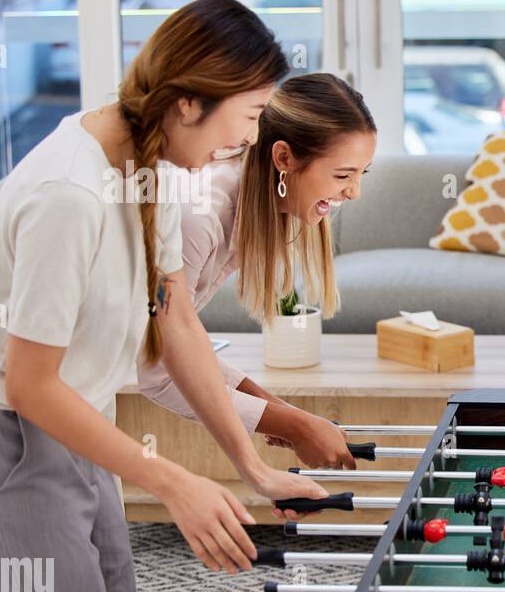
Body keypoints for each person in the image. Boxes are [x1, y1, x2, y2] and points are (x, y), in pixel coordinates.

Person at [0, 0, 328, 592]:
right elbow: (28, 384)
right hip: (2, 438)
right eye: (248, 115)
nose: (252, 138)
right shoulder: (71, 193)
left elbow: (174, 318)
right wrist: (171, 480)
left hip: (78, 426)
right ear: (189, 102)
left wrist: (246, 463)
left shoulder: (150, 167)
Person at [137, 73, 376, 470]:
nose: (353, 192)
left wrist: (277, 410)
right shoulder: (200, 218)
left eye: (360, 174)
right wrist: (293, 424)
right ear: (283, 158)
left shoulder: (242, 207)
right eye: (342, 175)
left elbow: (185, 345)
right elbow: (157, 368)